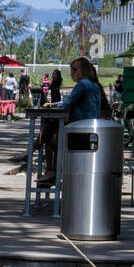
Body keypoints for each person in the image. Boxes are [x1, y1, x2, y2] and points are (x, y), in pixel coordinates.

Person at [35, 57, 108, 185]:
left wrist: (52, 105)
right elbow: (69, 101)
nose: (71, 73)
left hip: (79, 132)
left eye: (74, 70)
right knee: (51, 132)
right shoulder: (94, 85)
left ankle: (37, 157)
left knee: (51, 138)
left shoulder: (83, 84)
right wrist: (55, 104)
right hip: (90, 131)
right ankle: (46, 168)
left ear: (82, 70)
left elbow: (67, 104)